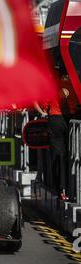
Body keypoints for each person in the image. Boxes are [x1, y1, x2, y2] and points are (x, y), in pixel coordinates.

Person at [35, 72, 78, 200]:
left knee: (57, 156)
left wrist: (44, 113)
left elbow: (42, 105)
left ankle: (60, 189)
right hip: (71, 120)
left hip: (55, 121)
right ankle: (73, 189)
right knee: (72, 156)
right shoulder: (74, 83)